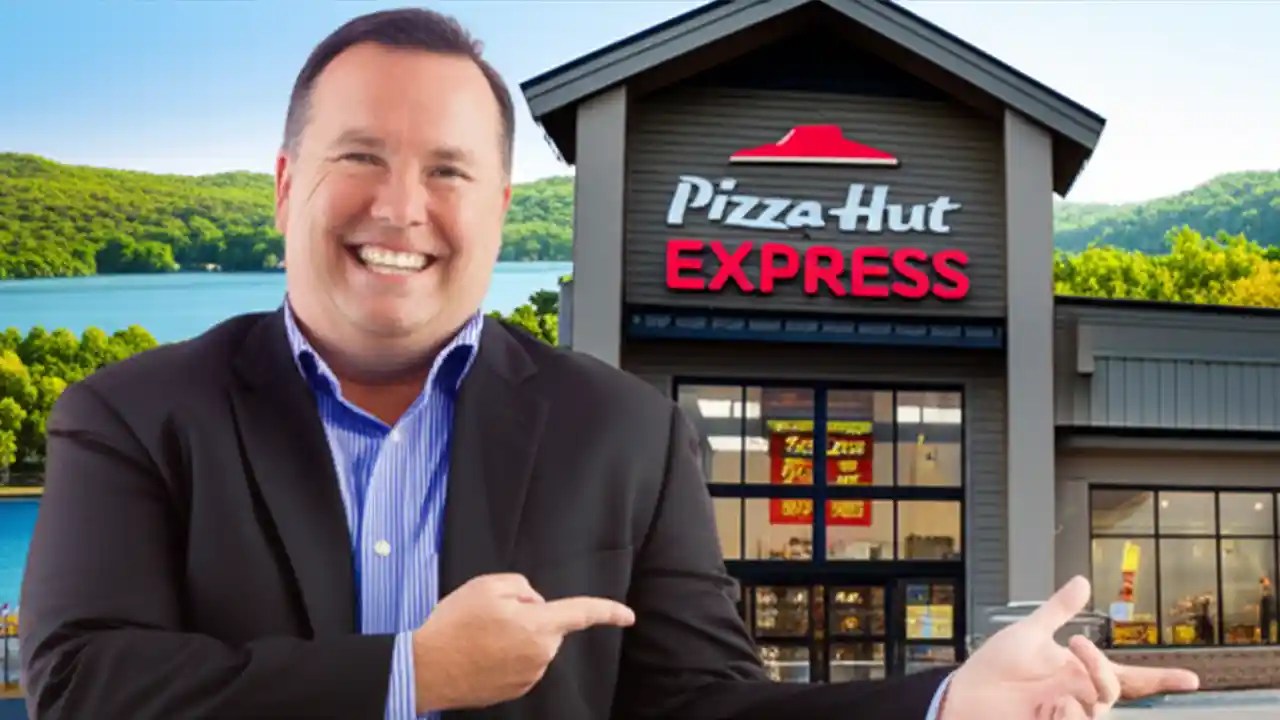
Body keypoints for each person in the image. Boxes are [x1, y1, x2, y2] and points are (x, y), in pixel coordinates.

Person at [18, 7, 1199, 720]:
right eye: (357, 157)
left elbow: (702, 711)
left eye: (446, 168)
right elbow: (79, 686)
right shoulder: (131, 414)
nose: (400, 207)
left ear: (498, 203)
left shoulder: (620, 430)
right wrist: (410, 675)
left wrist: (944, 699)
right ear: (283, 185)